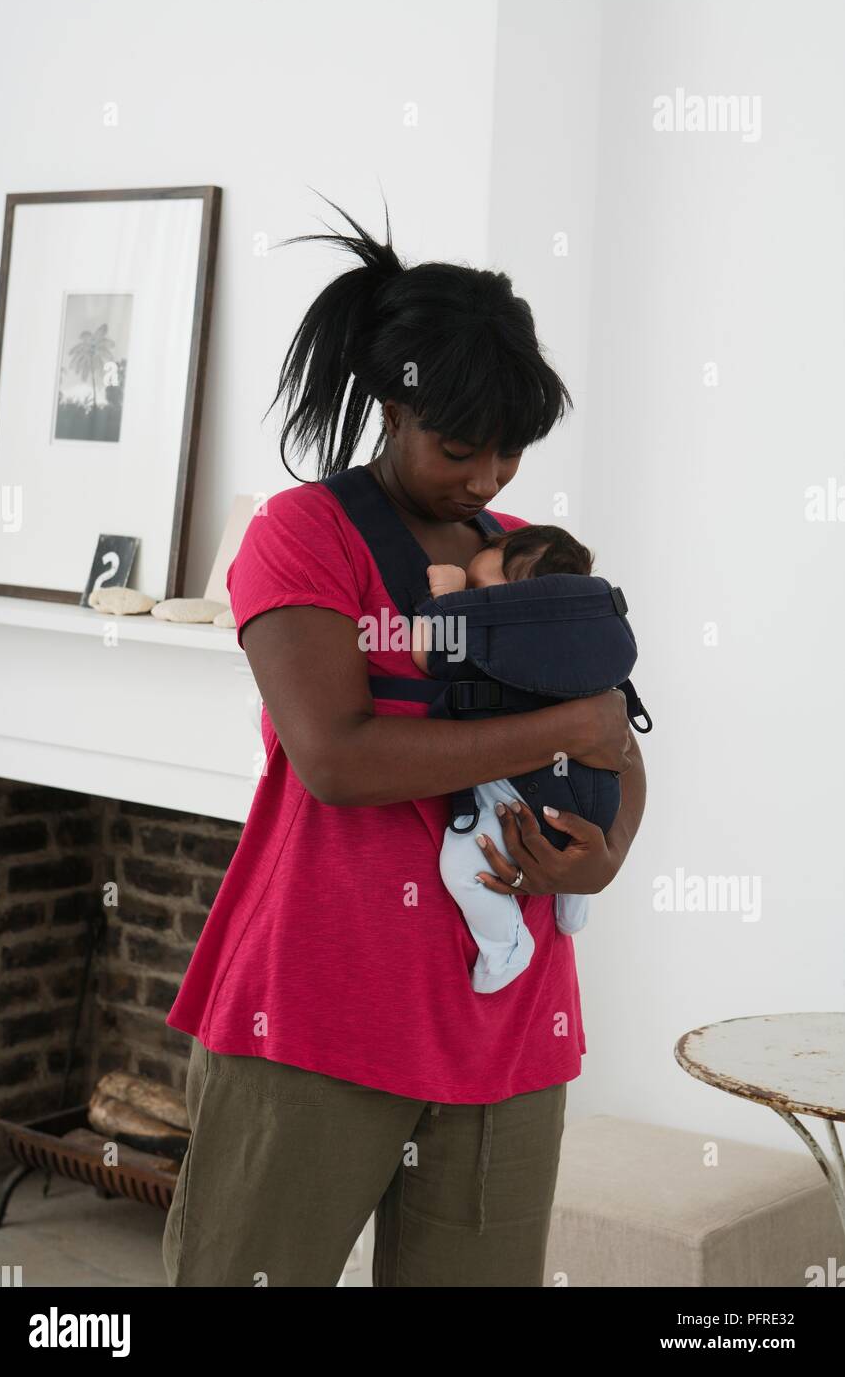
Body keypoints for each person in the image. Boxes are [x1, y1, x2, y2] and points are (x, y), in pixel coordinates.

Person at [162, 192, 646, 1288]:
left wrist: (604, 853)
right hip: (318, 1010)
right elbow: (336, 758)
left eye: (509, 452)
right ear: (392, 405)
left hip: (507, 1023)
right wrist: (564, 721)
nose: (484, 479)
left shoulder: (531, 557)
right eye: (459, 447)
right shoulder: (304, 536)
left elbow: (614, 739)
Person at [411, 524, 601, 995]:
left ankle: (508, 946)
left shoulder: (503, 642)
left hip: (515, 786)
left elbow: (426, 656)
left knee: (464, 870)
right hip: (584, 787)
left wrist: (448, 601)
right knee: (569, 837)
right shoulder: (575, 640)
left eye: (482, 587)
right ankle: (572, 906)